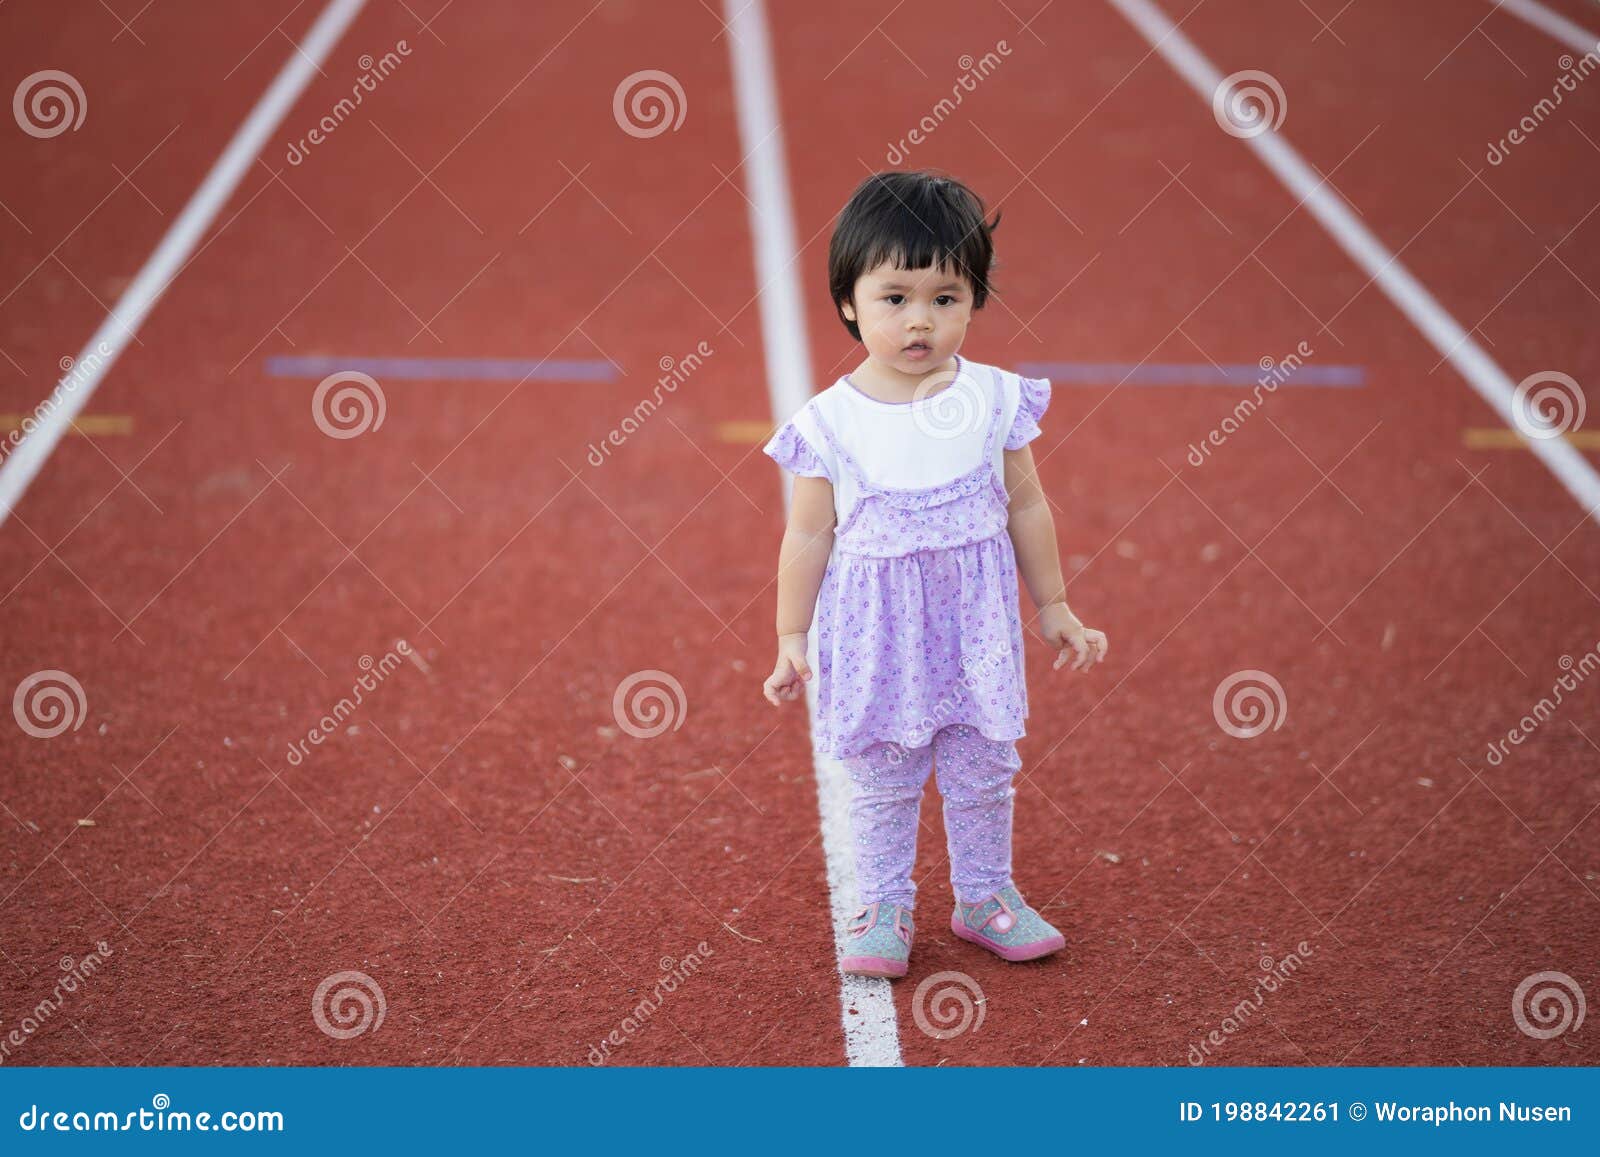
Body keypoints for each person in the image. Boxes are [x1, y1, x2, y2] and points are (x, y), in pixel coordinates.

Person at [761, 170, 1108, 979]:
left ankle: (985, 894)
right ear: (848, 301)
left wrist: (1053, 604)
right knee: (884, 773)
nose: (920, 319)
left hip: (975, 626)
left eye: (946, 297)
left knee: (984, 764)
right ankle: (883, 902)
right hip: (878, 634)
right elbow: (808, 534)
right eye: (895, 297)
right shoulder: (830, 421)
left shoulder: (994, 399)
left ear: (974, 300)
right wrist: (789, 634)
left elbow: (1026, 505)